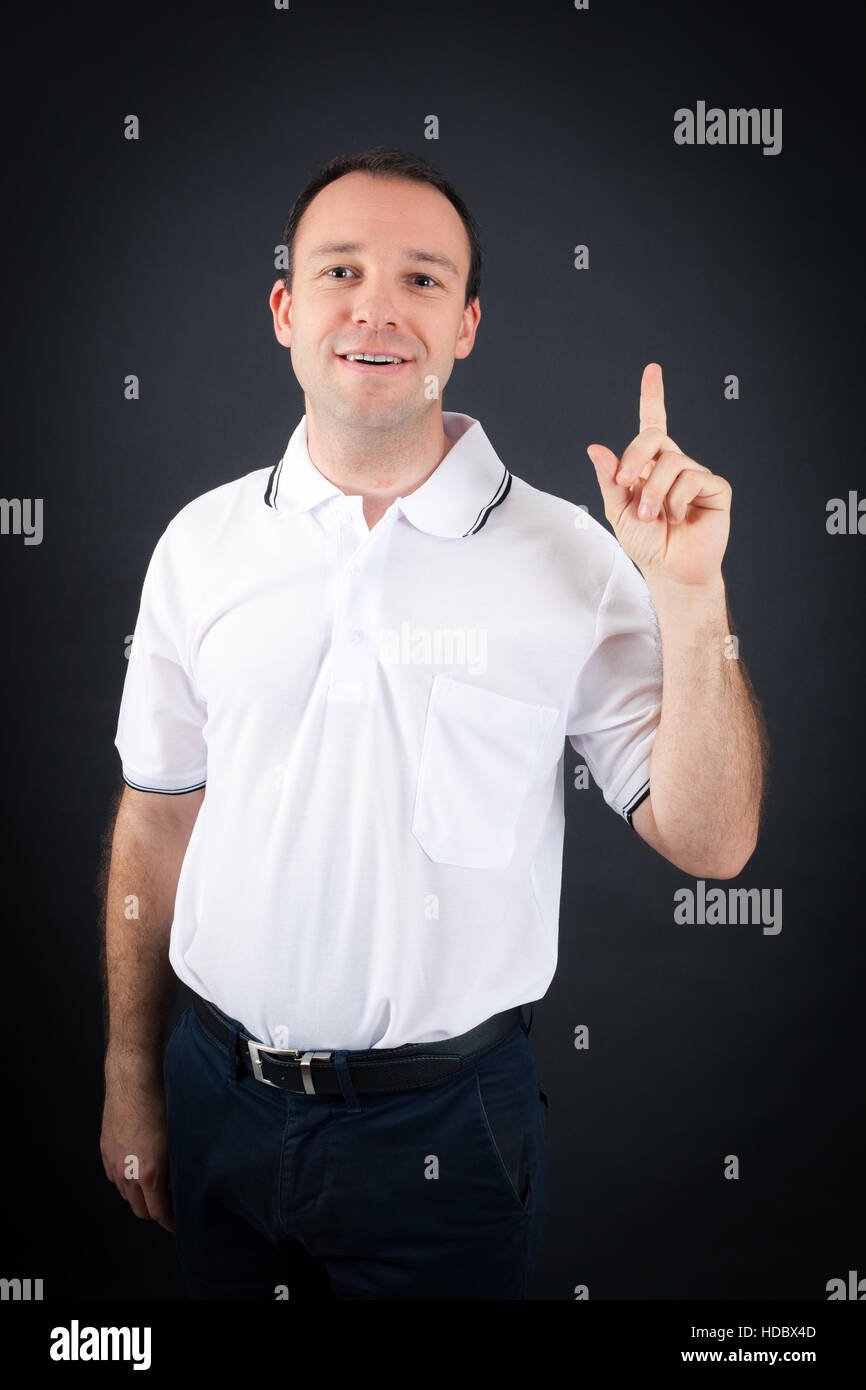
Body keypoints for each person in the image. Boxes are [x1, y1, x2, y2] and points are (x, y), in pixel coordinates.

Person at [99, 145, 768, 1301]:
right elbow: (157, 816)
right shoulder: (199, 544)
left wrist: (693, 594)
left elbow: (712, 842)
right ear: (284, 309)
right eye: (339, 270)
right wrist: (130, 1070)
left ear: (465, 324)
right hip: (216, 1097)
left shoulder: (573, 555)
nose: (374, 307)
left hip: (445, 1138)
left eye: (419, 279)